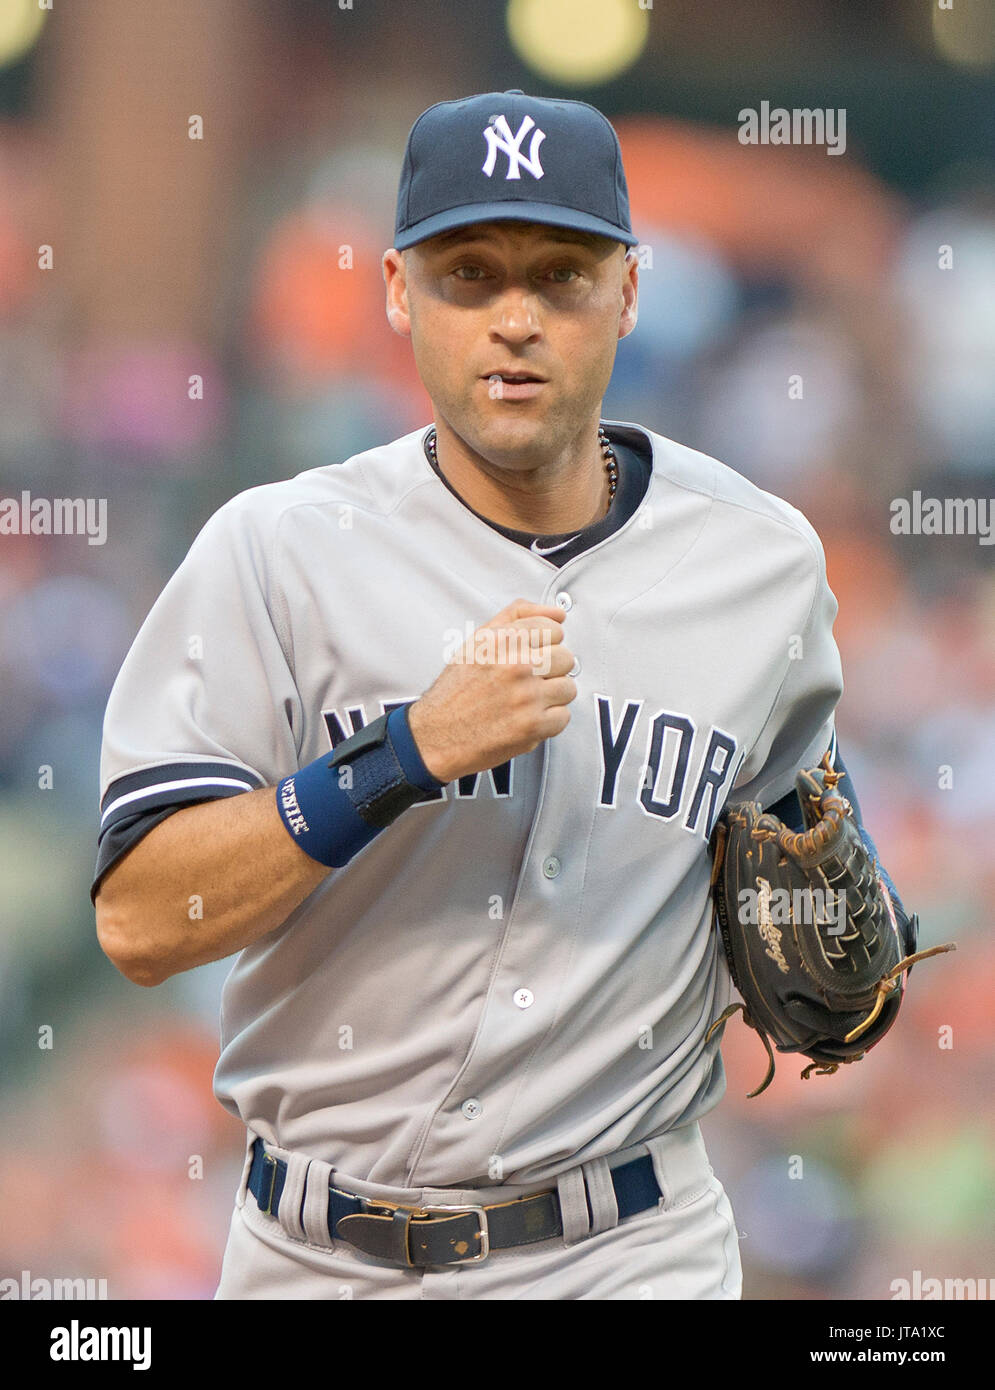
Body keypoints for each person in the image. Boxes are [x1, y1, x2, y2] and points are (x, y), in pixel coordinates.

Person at [92, 90, 909, 1300]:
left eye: (560, 276)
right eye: (468, 274)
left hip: (626, 1250)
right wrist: (401, 754)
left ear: (627, 290)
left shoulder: (761, 566)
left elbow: (809, 867)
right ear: (394, 292)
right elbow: (144, 922)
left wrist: (845, 952)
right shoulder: (275, 551)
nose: (514, 319)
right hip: (315, 1254)